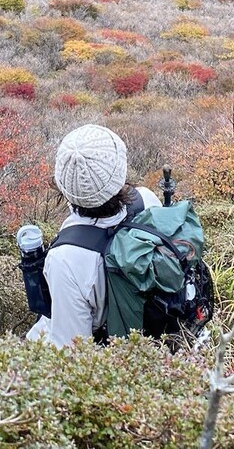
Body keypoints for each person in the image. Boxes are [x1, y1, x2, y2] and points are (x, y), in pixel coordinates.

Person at [25, 124, 160, 346]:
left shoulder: (66, 258)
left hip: (109, 356)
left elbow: (71, 351)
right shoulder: (147, 200)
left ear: (64, 183)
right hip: (158, 331)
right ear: (119, 171)